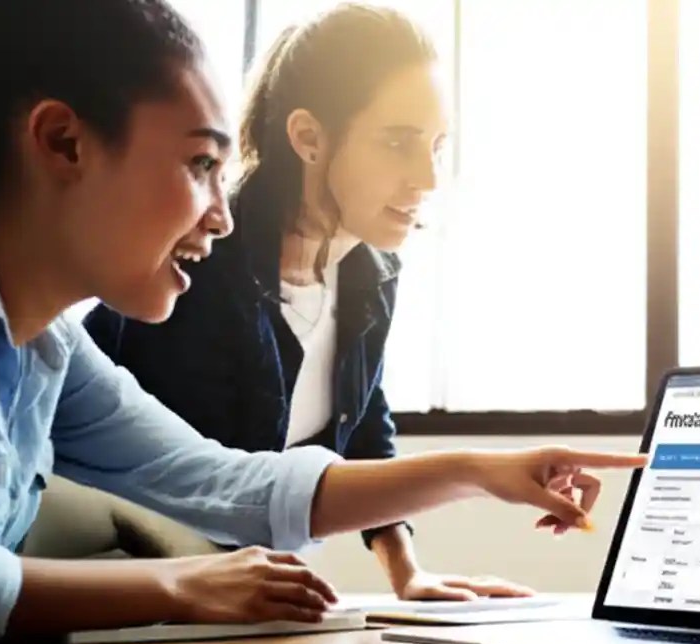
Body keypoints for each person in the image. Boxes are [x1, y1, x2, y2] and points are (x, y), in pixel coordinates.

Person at [0, 0, 643, 644]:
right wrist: (178, 583)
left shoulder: (53, 344)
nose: (217, 216)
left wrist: (477, 472)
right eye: (198, 164)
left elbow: (221, 478)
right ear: (64, 141)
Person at [83, 4, 532, 601]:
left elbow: (367, 427)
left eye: (438, 146)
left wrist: (407, 574)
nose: (427, 178)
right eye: (398, 143)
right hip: (130, 582)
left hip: (236, 596)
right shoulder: (195, 257)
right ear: (309, 138)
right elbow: (179, 476)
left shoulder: (372, 272)